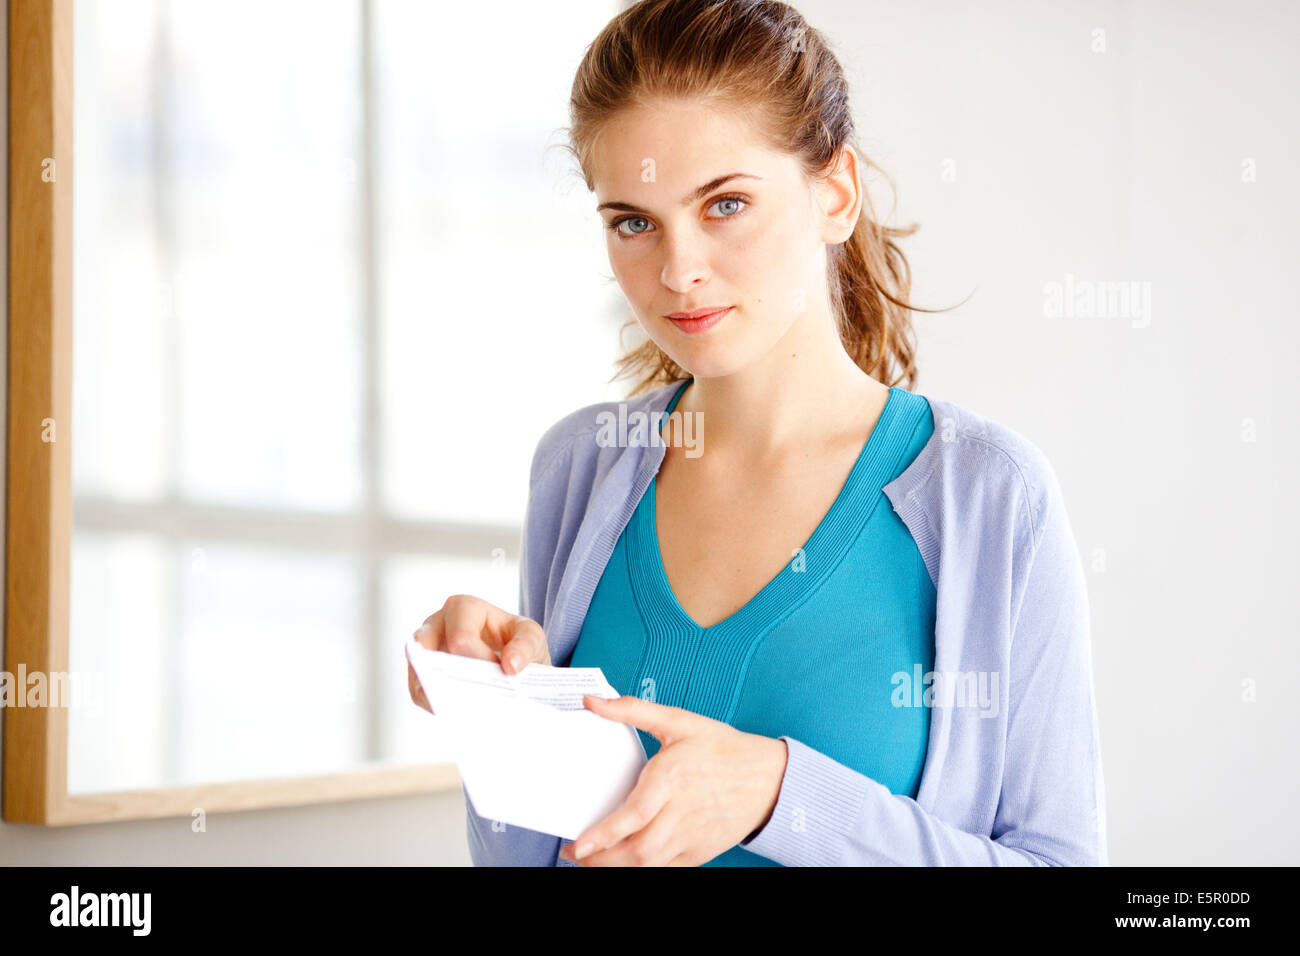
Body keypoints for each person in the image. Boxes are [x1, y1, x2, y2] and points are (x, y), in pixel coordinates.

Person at [408, 0, 1107, 867]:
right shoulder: (581, 467)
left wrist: (780, 796)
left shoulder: (988, 497)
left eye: (726, 203)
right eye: (633, 221)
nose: (678, 269)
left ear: (836, 194)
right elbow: (531, 856)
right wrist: (505, 712)